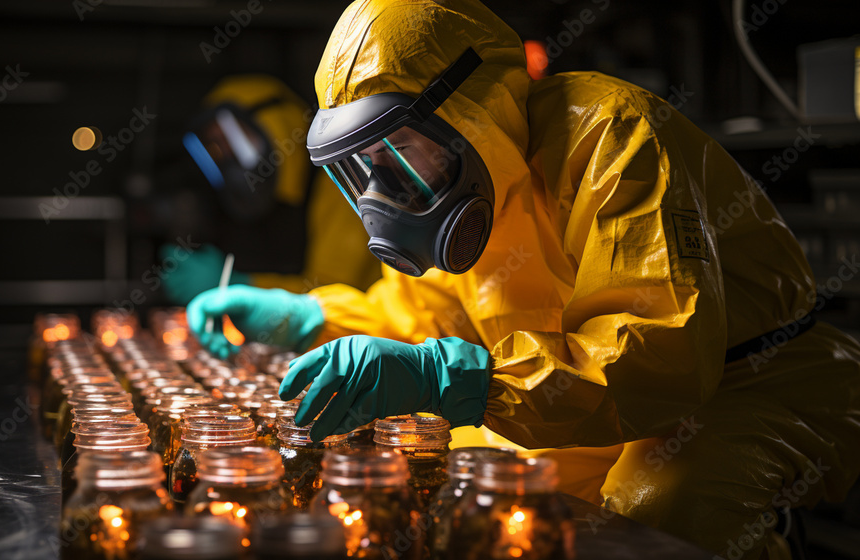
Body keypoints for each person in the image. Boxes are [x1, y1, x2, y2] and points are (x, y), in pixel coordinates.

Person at [186, 1, 860, 557]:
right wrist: (309, 318)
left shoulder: (610, 135)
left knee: (657, 511)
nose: (380, 189)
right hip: (594, 396)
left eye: (392, 151)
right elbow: (425, 315)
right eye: (360, 164)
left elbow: (657, 357)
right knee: (470, 479)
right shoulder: (477, 173)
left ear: (463, 104)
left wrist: (449, 380)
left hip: (745, 383)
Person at [159, 75, 381, 304]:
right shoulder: (255, 204)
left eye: (233, 137)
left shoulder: (342, 183)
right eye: (217, 146)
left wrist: (240, 288)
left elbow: (338, 295)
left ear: (275, 125)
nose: (229, 157)